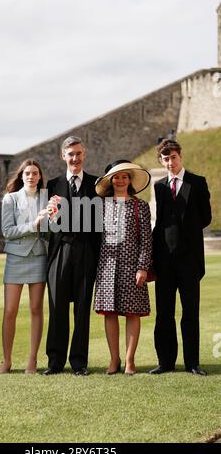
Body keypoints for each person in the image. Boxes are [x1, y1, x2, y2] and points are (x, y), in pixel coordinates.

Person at [150, 139, 212, 376]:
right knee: (164, 312)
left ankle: (192, 363)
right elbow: (162, 219)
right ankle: (165, 362)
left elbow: (205, 218)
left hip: (189, 259)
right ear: (161, 161)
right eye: (165, 159)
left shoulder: (197, 182)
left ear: (180, 156)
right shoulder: (160, 186)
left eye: (173, 157)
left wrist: (186, 231)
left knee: (190, 313)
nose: (170, 162)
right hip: (164, 260)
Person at [44, 136, 101, 376]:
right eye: (70, 154)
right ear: (63, 156)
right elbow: (50, 225)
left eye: (78, 153)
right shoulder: (52, 185)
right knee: (57, 308)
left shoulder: (96, 184)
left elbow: (98, 223)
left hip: (87, 252)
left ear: (84, 154)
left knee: (81, 309)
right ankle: (55, 362)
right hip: (59, 252)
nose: (75, 158)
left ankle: (79, 362)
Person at [94, 160, 152, 375]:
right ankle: (113, 359)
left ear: (130, 180)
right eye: (116, 177)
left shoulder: (140, 206)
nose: (120, 180)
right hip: (107, 267)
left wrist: (142, 267)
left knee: (132, 313)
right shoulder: (101, 205)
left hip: (132, 266)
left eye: (124, 176)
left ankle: (129, 360)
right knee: (109, 314)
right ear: (110, 180)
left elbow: (146, 240)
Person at [0, 159, 48, 375]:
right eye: (27, 173)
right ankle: (6, 361)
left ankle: (32, 361)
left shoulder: (46, 198)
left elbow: (49, 229)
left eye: (35, 173)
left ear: (39, 176)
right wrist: (33, 224)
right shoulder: (10, 199)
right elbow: (7, 231)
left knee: (36, 309)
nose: (31, 176)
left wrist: (51, 221)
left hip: (38, 257)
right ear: (22, 175)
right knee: (10, 311)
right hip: (16, 258)